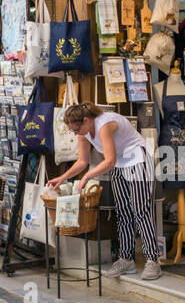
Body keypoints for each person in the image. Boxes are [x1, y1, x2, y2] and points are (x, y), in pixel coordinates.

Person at [49, 102, 161, 280]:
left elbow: (109, 160)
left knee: (141, 209)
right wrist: (62, 178)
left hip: (137, 159)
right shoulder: (84, 131)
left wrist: (87, 177)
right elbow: (82, 161)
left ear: (86, 120)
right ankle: (126, 259)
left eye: (76, 130)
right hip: (119, 163)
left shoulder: (104, 124)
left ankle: (152, 260)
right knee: (123, 211)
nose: (76, 134)